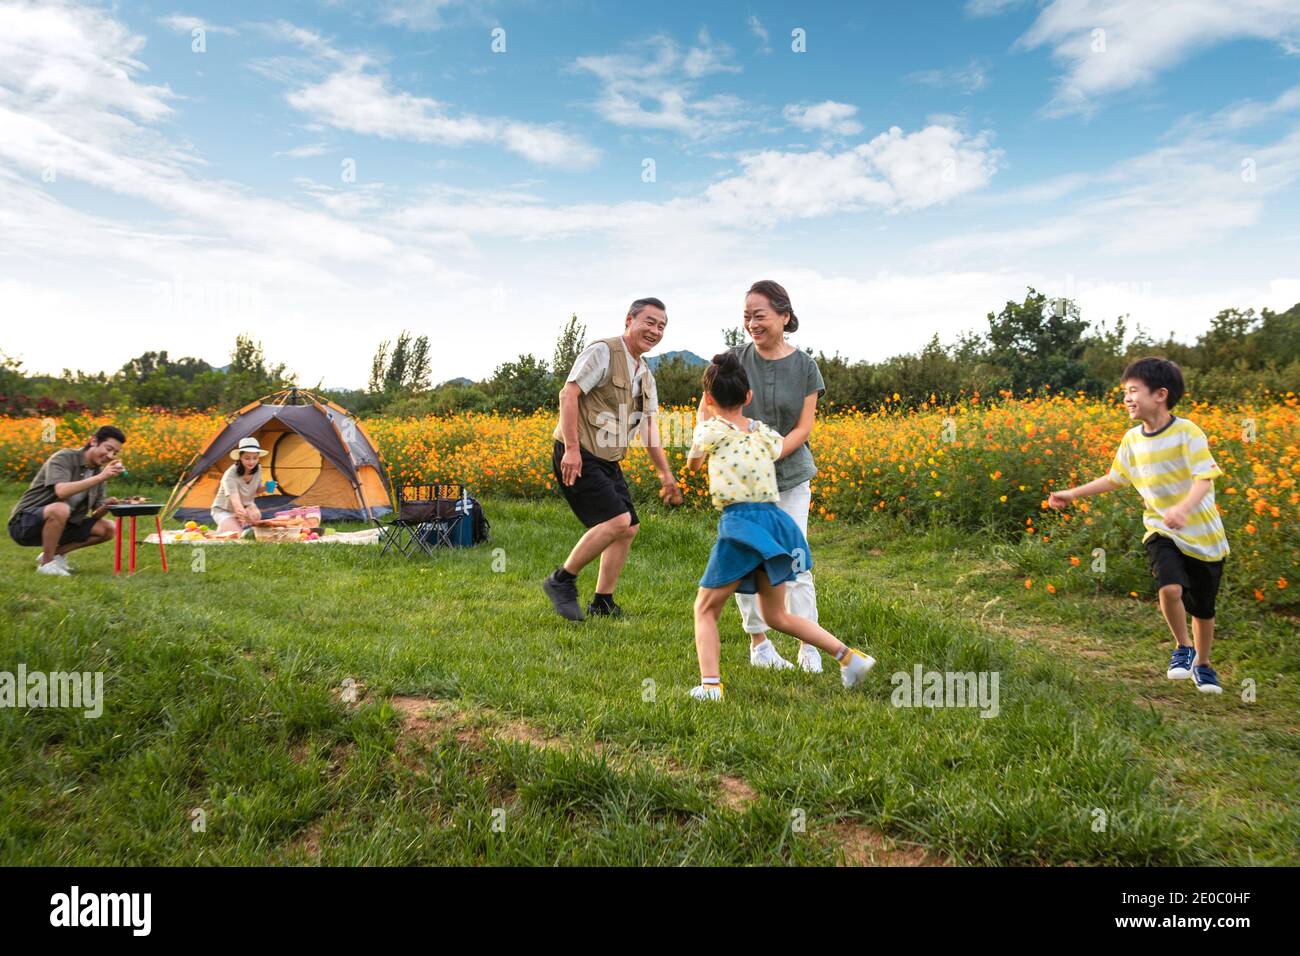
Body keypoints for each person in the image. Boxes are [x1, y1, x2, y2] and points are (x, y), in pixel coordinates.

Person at [685, 352, 873, 700]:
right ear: (748, 397)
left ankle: (710, 687)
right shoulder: (763, 433)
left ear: (709, 399)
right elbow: (775, 449)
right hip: (775, 522)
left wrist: (703, 413)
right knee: (777, 615)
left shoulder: (710, 430)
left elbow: (693, 463)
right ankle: (849, 658)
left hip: (742, 524)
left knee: (706, 609)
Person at [1048, 357, 1229, 694]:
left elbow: (1205, 477)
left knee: (1203, 609)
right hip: (1162, 529)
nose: (1127, 398)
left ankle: (1203, 665)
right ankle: (1182, 647)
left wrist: (1184, 509)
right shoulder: (1132, 439)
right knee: (1170, 588)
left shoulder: (1187, 432)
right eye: (1125, 392)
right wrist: (1072, 493)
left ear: (1160, 394)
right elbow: (1115, 477)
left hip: (1204, 536)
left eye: (1133, 390)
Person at [697, 280, 827, 673]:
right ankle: (760, 644)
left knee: (796, 561)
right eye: (746, 317)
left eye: (760, 315)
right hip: (743, 490)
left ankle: (809, 647)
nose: (752, 323)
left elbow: (804, 428)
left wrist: (766, 454)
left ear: (784, 317)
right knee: (746, 565)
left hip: (790, 478)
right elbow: (707, 407)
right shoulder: (733, 359)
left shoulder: (806, 366)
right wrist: (725, 447)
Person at [543, 297, 683, 621]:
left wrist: (665, 475)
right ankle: (561, 581)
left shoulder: (646, 375)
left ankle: (602, 602)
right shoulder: (604, 351)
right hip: (578, 452)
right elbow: (569, 394)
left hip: (607, 460)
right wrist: (573, 451)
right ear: (629, 320)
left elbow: (648, 427)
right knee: (616, 521)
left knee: (629, 527)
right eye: (650, 322)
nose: (656, 330)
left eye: (662, 326)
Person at [8, 425, 127, 576]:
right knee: (60, 508)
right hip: (25, 524)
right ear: (93, 441)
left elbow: (95, 514)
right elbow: (61, 491)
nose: (110, 455)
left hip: (62, 524)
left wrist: (107, 505)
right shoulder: (64, 457)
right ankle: (46, 564)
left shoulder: (98, 473)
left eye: (115, 453)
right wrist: (101, 477)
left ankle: (56, 555)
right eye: (108, 448)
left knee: (109, 528)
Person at [212, 437, 268, 533]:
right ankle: (228, 525)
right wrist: (244, 516)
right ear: (240, 457)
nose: (251, 462)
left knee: (255, 514)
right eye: (247, 458)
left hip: (245, 507)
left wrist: (266, 487)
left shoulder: (258, 468)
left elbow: (257, 490)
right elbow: (236, 504)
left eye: (255, 458)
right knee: (237, 535)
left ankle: (224, 529)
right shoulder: (230, 475)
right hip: (224, 510)